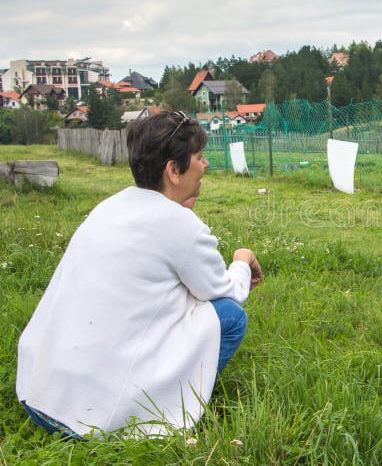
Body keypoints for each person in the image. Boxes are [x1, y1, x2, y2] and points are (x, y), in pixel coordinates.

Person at [16, 111, 263, 438]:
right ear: (173, 170)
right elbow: (225, 291)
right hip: (94, 419)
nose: (205, 166)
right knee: (230, 316)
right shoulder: (180, 226)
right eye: (199, 158)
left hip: (39, 394)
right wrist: (242, 261)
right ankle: (168, 408)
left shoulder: (111, 206)